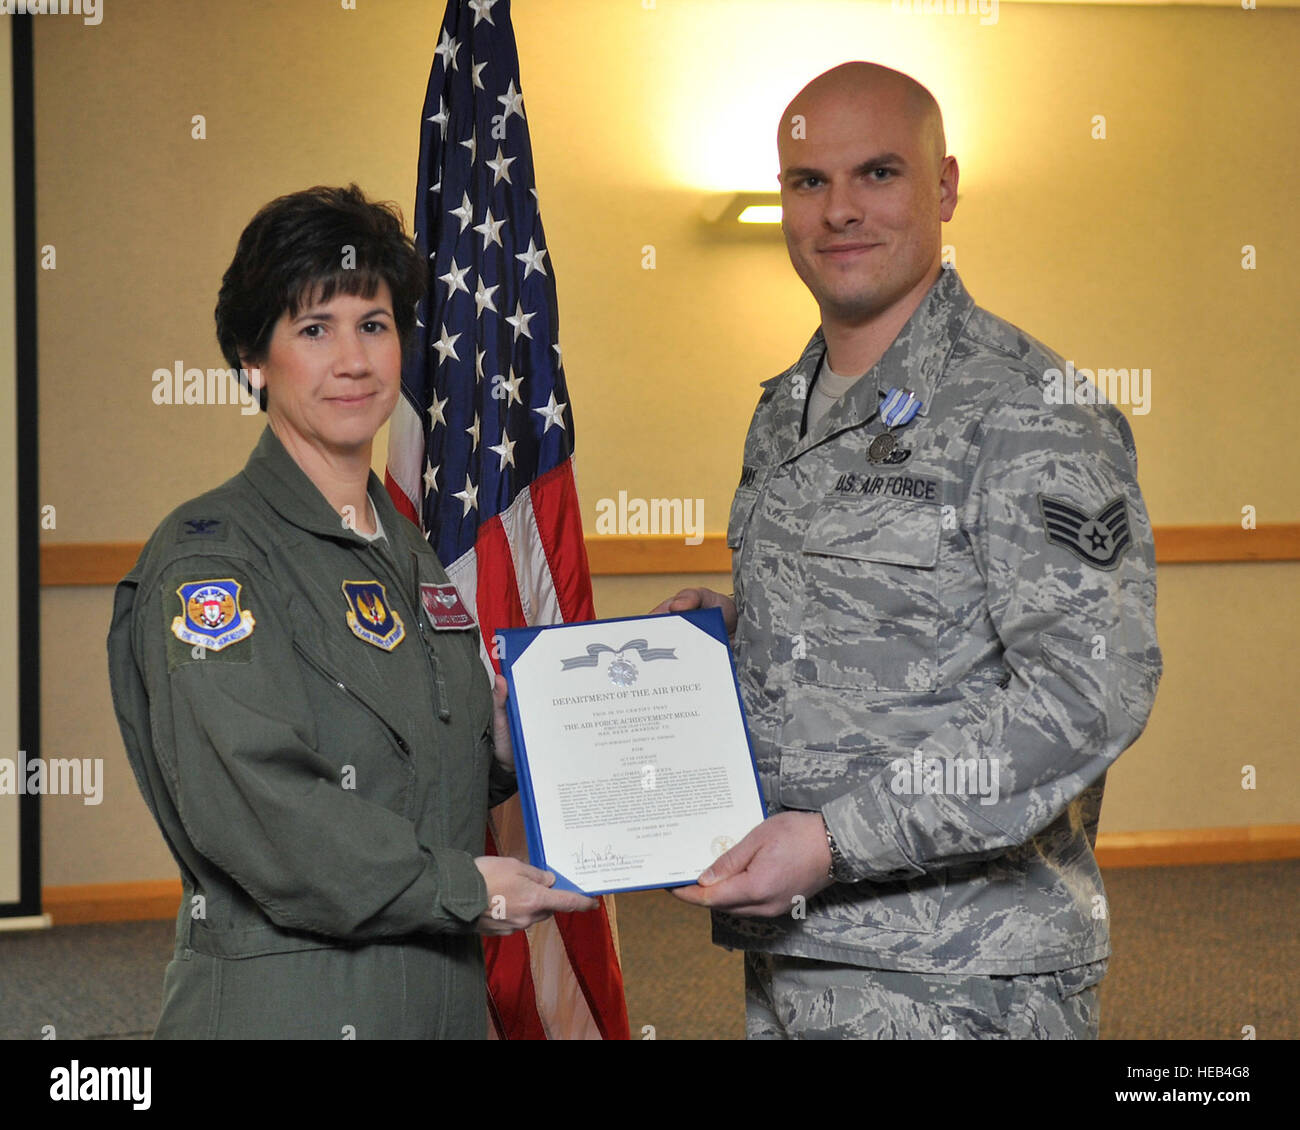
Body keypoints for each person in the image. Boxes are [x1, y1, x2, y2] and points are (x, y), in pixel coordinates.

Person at [657, 63, 1162, 1039]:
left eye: (876, 174)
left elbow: (1087, 689)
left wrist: (837, 840)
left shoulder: (1028, 409)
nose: (838, 209)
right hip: (793, 951)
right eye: (808, 181)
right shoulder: (784, 408)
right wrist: (725, 635)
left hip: (964, 979)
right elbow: (878, 630)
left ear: (944, 188)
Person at [107, 184, 594, 1039]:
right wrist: (466, 888)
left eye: (373, 325)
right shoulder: (211, 560)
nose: (354, 360)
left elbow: (417, 764)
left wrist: (515, 745)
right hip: (295, 1007)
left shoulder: (404, 550)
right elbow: (265, 813)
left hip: (437, 997)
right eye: (313, 329)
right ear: (252, 359)